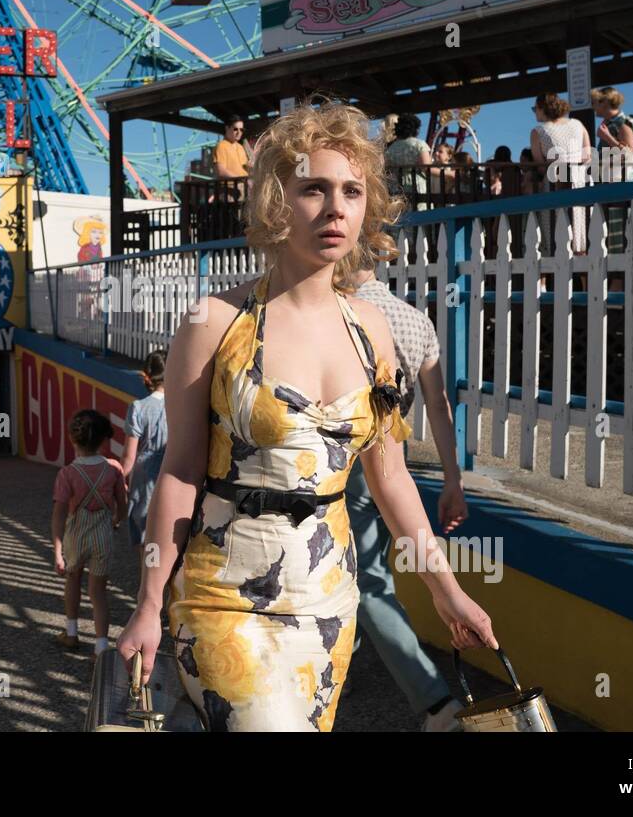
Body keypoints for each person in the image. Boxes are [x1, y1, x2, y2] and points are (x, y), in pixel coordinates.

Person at [116, 100, 498, 732]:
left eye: (352, 191)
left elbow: (390, 477)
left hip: (328, 599)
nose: (335, 208)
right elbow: (180, 471)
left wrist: (445, 590)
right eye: (313, 188)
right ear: (276, 199)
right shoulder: (214, 323)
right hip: (223, 595)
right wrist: (149, 602)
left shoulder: (373, 330)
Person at [344, 266, 469, 730]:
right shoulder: (417, 320)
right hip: (396, 461)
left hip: (350, 463)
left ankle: (435, 702)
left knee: (366, 581)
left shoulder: (341, 311)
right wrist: (452, 479)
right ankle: (342, 669)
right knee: (365, 569)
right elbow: (438, 403)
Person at [52, 410, 127, 655]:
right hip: (103, 534)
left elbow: (59, 514)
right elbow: (122, 507)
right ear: (103, 440)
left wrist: (58, 551)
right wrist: (115, 521)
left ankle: (71, 632)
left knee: (72, 580)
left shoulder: (67, 474)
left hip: (76, 534)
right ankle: (101, 647)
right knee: (98, 593)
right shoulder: (113, 469)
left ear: (72, 439)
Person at [530, 92, 591, 255]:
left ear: (541, 108)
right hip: (579, 181)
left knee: (555, 232)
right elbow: (587, 155)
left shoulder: (538, 131)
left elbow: (540, 165)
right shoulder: (578, 124)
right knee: (579, 226)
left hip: (554, 182)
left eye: (534, 109)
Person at [120, 350, 168, 546]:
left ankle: (147, 566)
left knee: (147, 538)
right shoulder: (181, 407)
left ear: (146, 375)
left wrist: (118, 479)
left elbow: (129, 456)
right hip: (171, 472)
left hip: (145, 477)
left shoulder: (138, 407)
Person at [592, 86, 633, 258]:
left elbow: (630, 155)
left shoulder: (622, 123)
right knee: (609, 233)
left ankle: (618, 273)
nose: (593, 106)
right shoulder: (611, 123)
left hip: (619, 186)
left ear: (605, 103)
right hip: (609, 184)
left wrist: (608, 138)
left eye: (596, 102)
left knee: (617, 233)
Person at [384, 113, 431, 211]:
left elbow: (387, 169)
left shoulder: (391, 148)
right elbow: (426, 167)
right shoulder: (419, 144)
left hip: (397, 186)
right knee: (420, 213)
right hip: (416, 185)